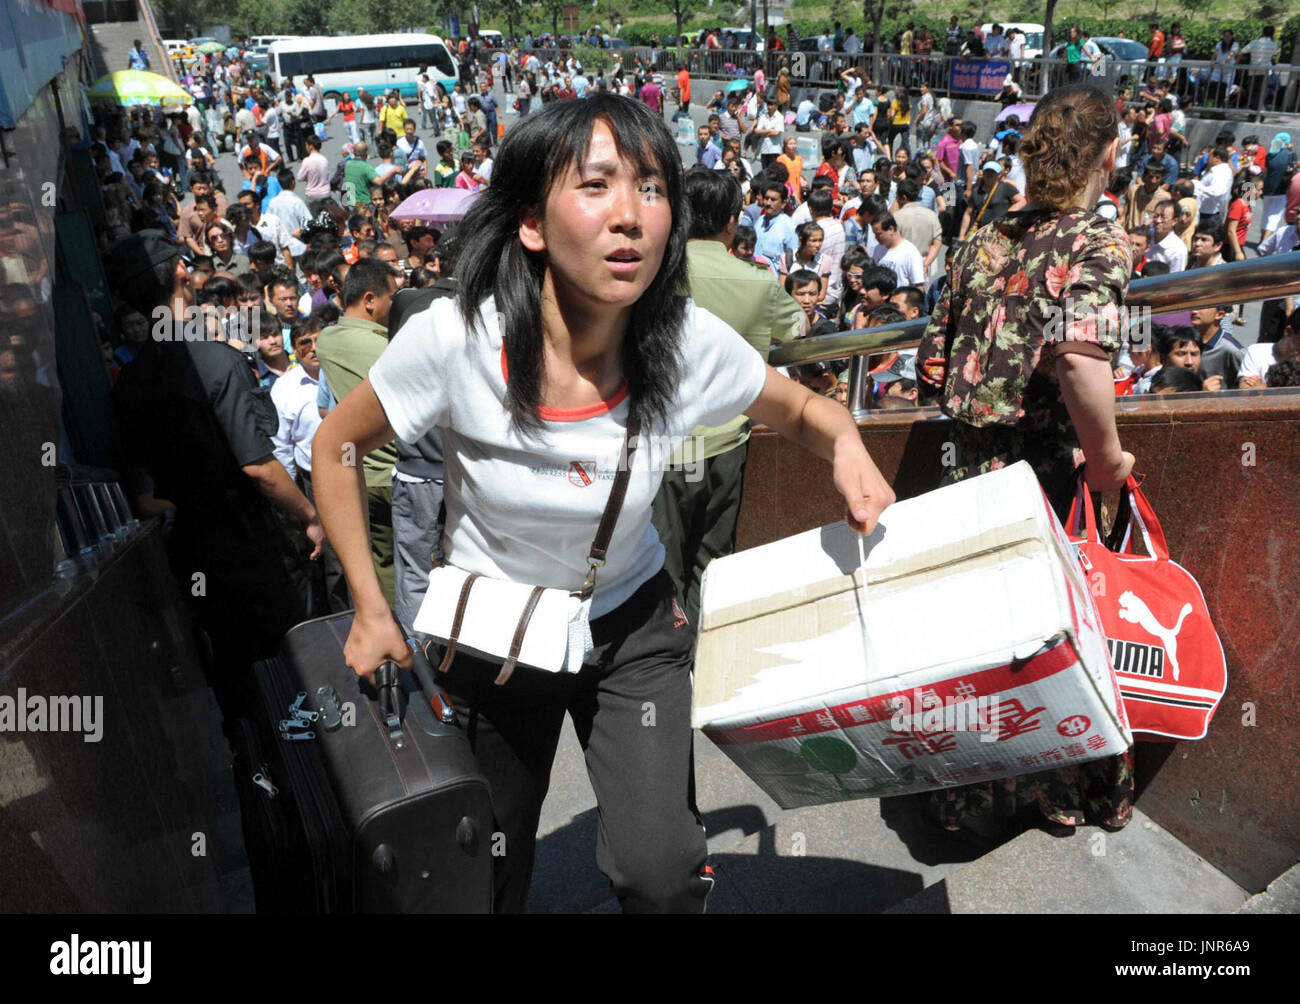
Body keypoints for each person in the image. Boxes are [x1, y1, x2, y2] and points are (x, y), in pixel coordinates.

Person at [308, 95, 894, 914]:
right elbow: (334, 446)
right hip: (497, 639)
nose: (630, 216)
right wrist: (371, 610)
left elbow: (800, 408)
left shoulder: (684, 341)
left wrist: (847, 448)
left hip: (632, 627)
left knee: (661, 872)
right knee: (484, 874)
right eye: (597, 186)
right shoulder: (457, 338)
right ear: (532, 224)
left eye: (651, 189)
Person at [915, 83, 1136, 838]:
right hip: (1040, 475)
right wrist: (1108, 463)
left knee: (979, 636)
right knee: (1058, 635)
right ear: (1108, 153)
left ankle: (967, 798)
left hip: (967, 473)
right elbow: (1082, 364)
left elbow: (932, 366)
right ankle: (1069, 792)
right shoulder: (1096, 241)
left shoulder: (983, 237)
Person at [108, 231, 321, 717]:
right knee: (291, 658)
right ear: (184, 274)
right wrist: (308, 515)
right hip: (246, 545)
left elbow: (142, 493)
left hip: (190, 553)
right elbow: (260, 468)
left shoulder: (131, 384)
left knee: (235, 672)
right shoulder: (217, 361)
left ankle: (261, 768)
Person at [652, 167, 806, 627]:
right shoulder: (758, 282)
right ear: (732, 222)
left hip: (664, 444)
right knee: (713, 560)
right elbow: (798, 328)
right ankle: (706, 651)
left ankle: (667, 657)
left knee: (660, 562)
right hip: (726, 443)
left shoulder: (653, 272)